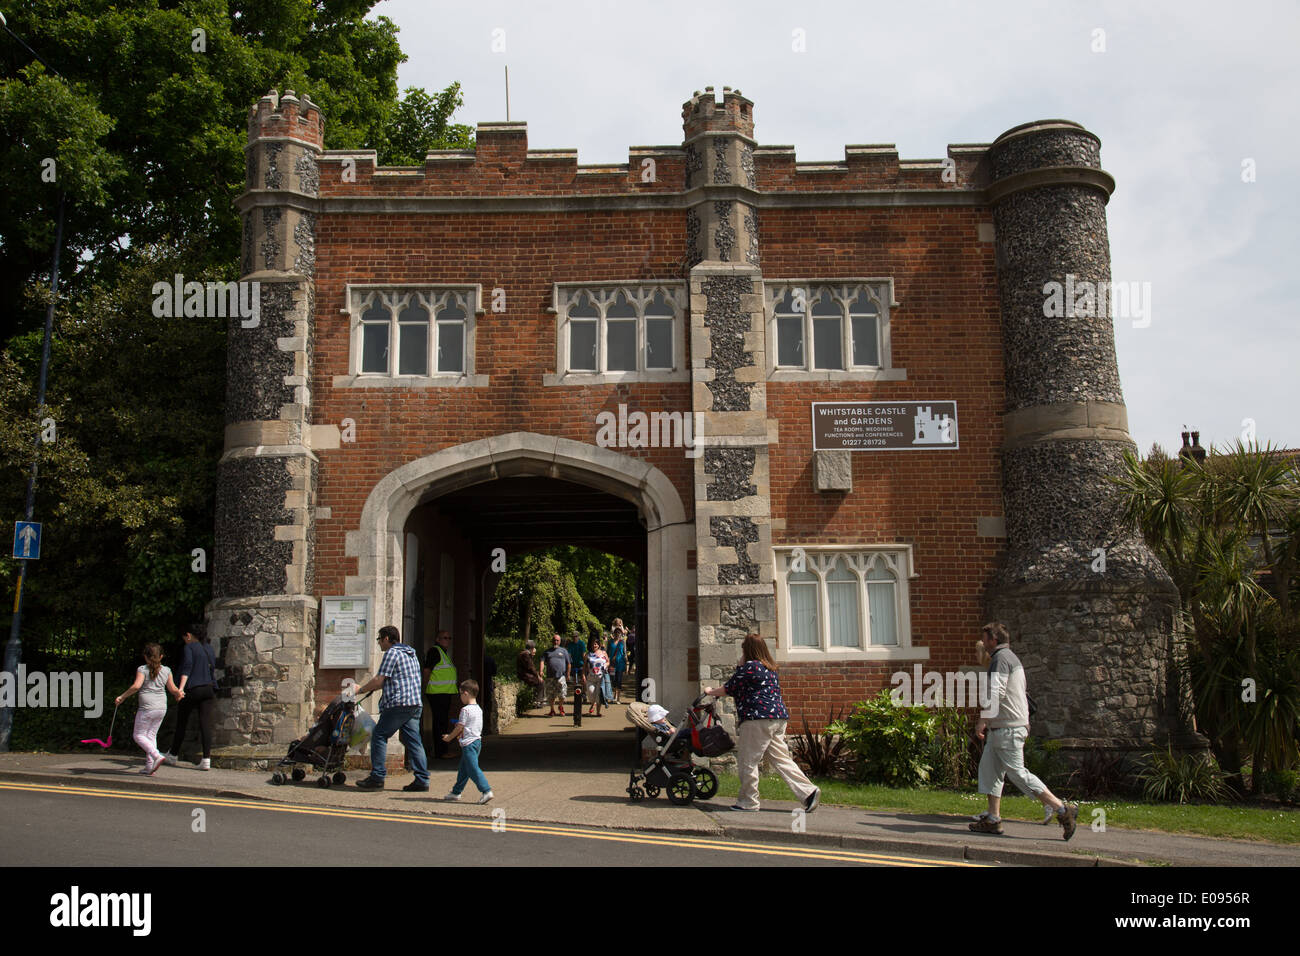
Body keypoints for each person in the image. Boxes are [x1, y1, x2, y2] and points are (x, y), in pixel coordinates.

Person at [969, 622, 1078, 840]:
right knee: (990, 771)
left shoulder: (1000, 659)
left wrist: (982, 720)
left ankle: (1062, 810)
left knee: (1018, 773)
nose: (983, 643)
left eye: (985, 639)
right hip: (1003, 727)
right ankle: (993, 819)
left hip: (1008, 728)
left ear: (994, 639)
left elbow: (997, 694)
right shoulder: (1011, 658)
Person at [705, 633, 820, 814]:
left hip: (757, 719)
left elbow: (730, 688)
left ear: (747, 650)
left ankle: (748, 802)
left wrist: (710, 691)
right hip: (777, 718)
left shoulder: (750, 667)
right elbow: (742, 683)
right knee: (780, 759)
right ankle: (809, 792)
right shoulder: (769, 668)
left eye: (743, 649)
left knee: (748, 760)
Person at [352, 625, 430, 792]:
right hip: (414, 704)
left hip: (398, 704)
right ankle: (422, 779)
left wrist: (361, 690)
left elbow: (379, 680)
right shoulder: (411, 653)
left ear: (387, 638)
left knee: (379, 735)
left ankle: (377, 777)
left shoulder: (392, 653)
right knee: (413, 741)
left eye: (379, 639)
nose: (379, 643)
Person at [116, 643, 183, 774]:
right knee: (151, 735)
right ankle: (150, 765)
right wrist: (179, 693)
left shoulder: (142, 669)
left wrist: (122, 697)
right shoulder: (167, 670)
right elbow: (173, 689)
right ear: (161, 656)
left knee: (138, 735)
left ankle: (156, 755)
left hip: (147, 707)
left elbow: (136, 686)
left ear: (146, 657)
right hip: (161, 707)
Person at [162, 624, 217, 770]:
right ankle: (206, 760)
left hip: (193, 688)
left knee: (182, 722)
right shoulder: (208, 648)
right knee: (205, 724)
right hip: (209, 689)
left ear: (189, 635)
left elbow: (187, 666)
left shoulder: (190, 647)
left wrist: (180, 689)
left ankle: (173, 755)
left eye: (185, 637)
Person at [442, 679, 493, 804]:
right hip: (476, 742)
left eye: (460, 694)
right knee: (464, 769)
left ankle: (486, 790)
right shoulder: (478, 709)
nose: (460, 697)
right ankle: (456, 792)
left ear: (466, 693)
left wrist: (449, 737)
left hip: (468, 744)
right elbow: (472, 727)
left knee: (472, 769)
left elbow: (460, 727)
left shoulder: (465, 710)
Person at [423, 630, 458, 760]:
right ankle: (441, 752)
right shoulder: (435, 651)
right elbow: (427, 670)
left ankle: (442, 750)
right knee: (440, 723)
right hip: (437, 693)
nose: (447, 640)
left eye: (449, 638)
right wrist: (424, 686)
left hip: (443, 693)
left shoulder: (443, 653)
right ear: (437, 639)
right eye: (444, 638)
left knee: (442, 722)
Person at [542, 634, 570, 717]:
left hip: (561, 676)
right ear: (552, 641)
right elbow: (542, 661)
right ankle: (552, 710)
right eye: (554, 640)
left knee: (562, 694)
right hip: (550, 677)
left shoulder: (564, 651)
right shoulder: (547, 652)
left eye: (557, 640)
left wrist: (568, 674)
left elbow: (569, 663)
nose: (556, 642)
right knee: (551, 695)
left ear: (560, 641)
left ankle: (560, 706)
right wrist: (541, 670)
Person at [516, 639, 543, 710]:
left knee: (538, 681)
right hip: (524, 675)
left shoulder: (524, 653)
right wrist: (538, 676)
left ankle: (536, 700)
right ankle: (537, 701)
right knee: (540, 683)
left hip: (524, 674)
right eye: (533, 648)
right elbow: (531, 667)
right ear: (531, 648)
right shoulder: (526, 655)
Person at [585, 638, 609, 717]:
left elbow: (608, 661)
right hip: (591, 677)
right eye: (593, 644)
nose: (594, 645)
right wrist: (583, 675)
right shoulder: (588, 654)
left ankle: (598, 712)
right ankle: (593, 703)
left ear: (599, 645)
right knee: (591, 692)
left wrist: (606, 665)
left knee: (599, 694)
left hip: (601, 677)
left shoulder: (603, 653)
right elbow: (584, 666)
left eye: (596, 644)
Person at [607, 627, 626, 704]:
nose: (618, 634)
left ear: (621, 634)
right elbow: (607, 652)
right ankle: (613, 696)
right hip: (612, 664)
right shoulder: (610, 642)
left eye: (619, 633)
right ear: (614, 634)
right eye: (616, 632)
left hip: (620, 664)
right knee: (613, 680)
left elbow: (624, 652)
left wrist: (626, 663)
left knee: (619, 680)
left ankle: (617, 698)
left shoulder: (622, 642)